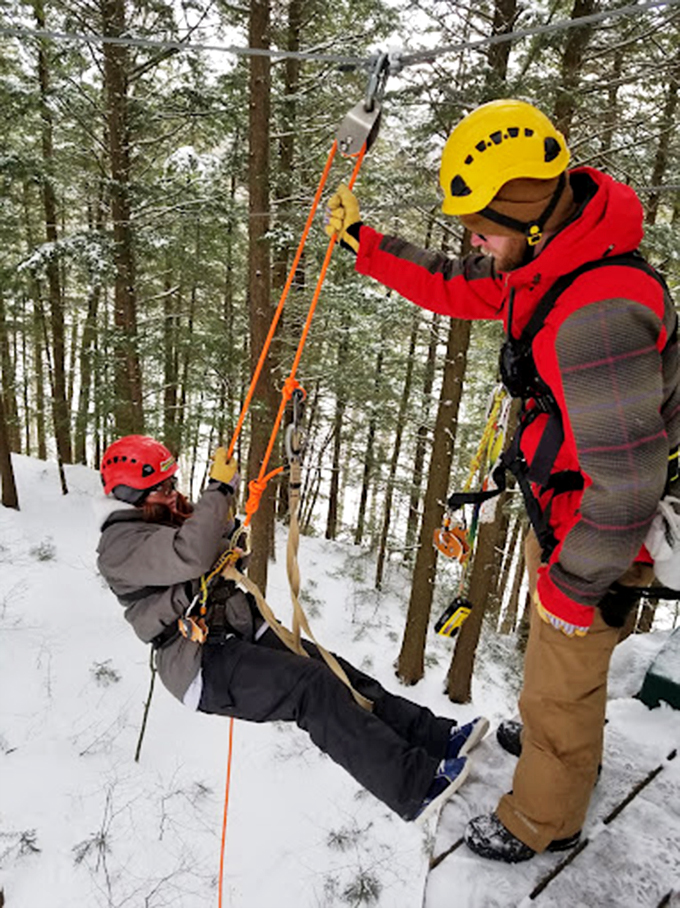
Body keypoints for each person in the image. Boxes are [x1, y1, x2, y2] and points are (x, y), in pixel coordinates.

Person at [325, 98, 680, 861]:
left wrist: (575, 585)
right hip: (565, 507)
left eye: (485, 230)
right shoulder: (551, 261)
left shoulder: (597, 314)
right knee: (554, 674)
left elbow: (628, 481)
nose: (475, 245)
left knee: (562, 676)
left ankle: (545, 820)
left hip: (601, 538)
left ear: (535, 223)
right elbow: (460, 283)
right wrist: (367, 244)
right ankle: (555, 733)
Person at [96, 434, 489, 822]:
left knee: (338, 672)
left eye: (172, 483)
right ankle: (411, 786)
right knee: (311, 689)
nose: (171, 492)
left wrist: (227, 527)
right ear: (130, 493)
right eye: (161, 487)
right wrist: (216, 492)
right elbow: (191, 555)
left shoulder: (160, 522)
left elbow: (208, 552)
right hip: (199, 662)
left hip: (235, 628)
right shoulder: (119, 546)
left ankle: (435, 739)